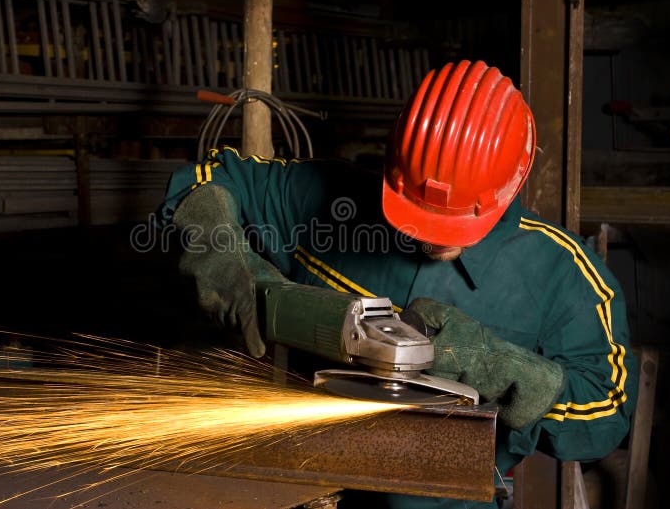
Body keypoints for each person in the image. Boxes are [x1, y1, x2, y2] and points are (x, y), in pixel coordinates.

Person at [157, 60, 637, 508]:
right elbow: (208, 178)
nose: (429, 235)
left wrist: (505, 369)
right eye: (416, 217)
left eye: (451, 223)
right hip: (301, 484)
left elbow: (607, 415)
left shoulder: (565, 275)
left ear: (512, 182)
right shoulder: (328, 201)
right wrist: (227, 264)